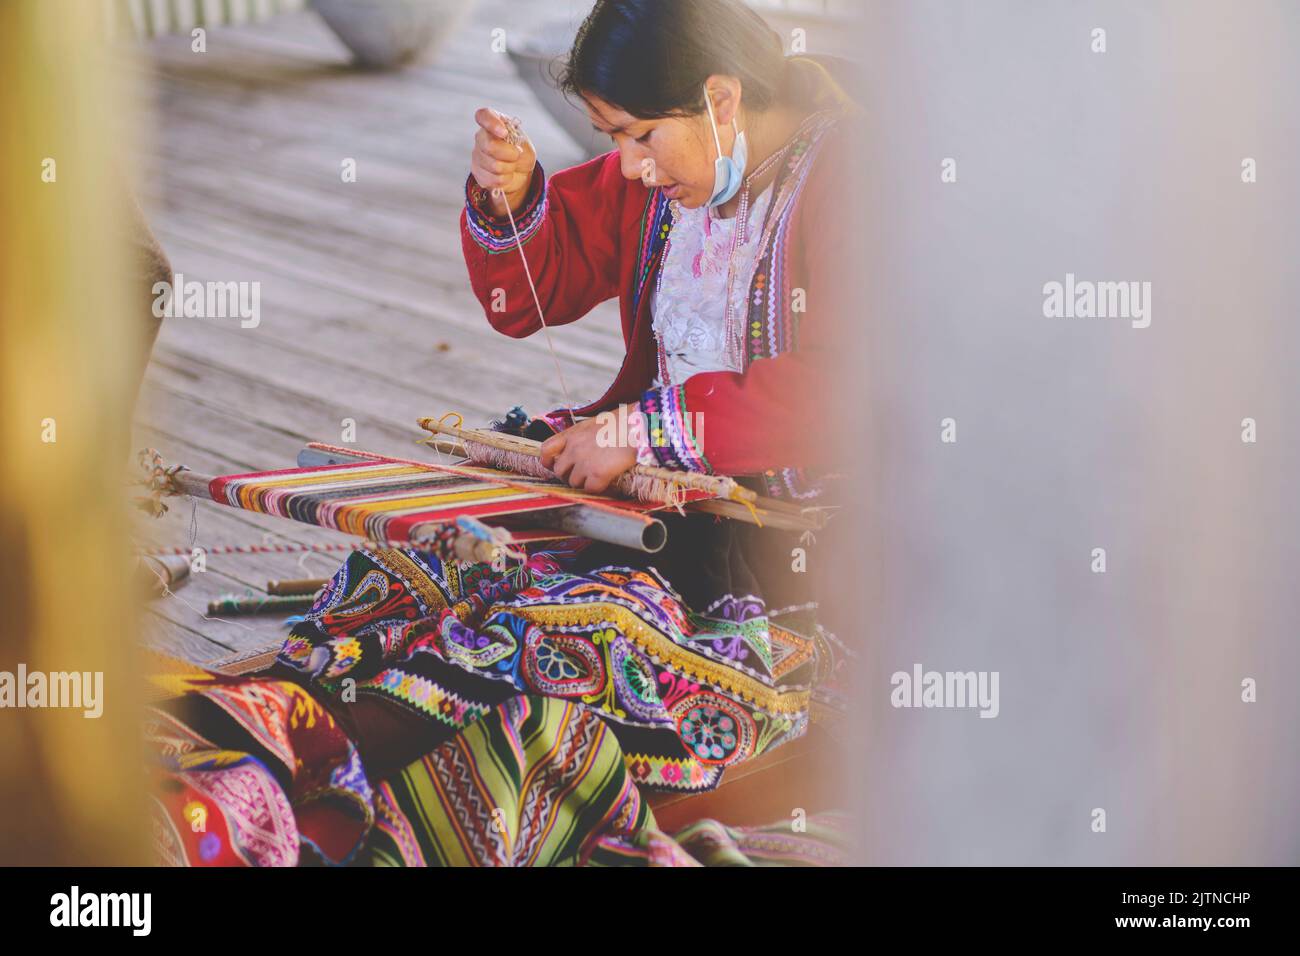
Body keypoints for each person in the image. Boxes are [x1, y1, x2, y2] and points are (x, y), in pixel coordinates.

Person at [146, 0, 859, 866]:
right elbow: (536, 288)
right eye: (611, 138)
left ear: (719, 97)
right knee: (431, 566)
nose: (625, 167)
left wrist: (650, 429)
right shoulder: (681, 172)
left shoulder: (859, 183)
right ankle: (256, 739)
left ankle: (268, 777)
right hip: (664, 517)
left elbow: (856, 386)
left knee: (549, 632)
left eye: (634, 136)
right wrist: (514, 193)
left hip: (804, 559)